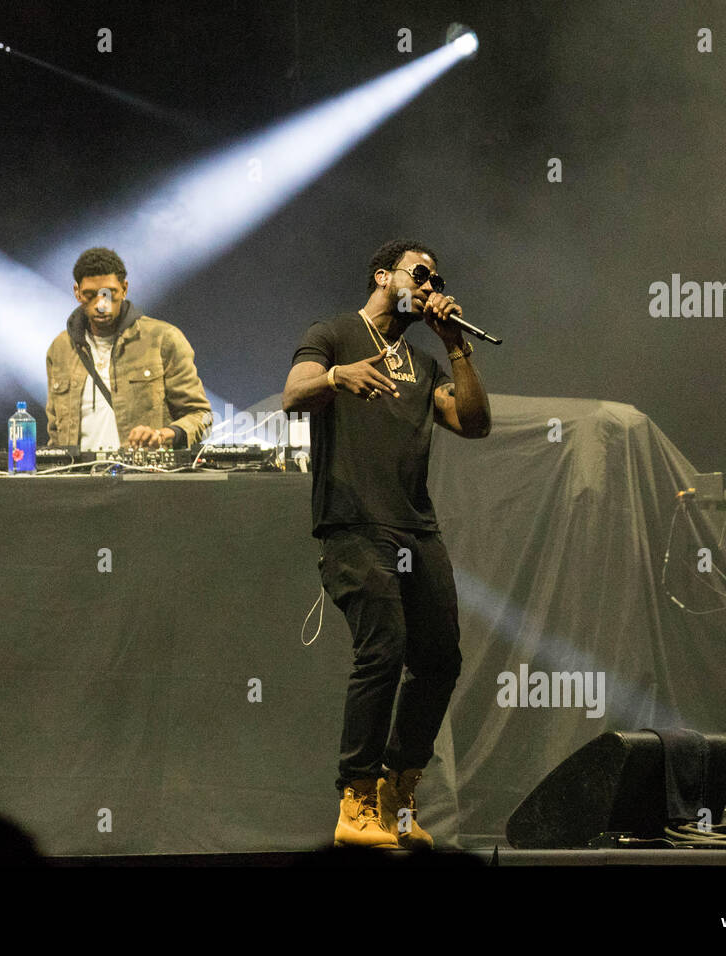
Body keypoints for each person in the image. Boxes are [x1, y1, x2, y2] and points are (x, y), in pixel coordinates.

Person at [281, 239, 491, 849]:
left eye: (436, 279)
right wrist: (336, 376)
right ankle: (356, 798)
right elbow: (295, 392)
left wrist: (456, 345)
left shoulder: (424, 363)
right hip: (352, 521)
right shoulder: (335, 333)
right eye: (418, 274)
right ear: (383, 275)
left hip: (414, 526)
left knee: (442, 658)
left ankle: (399, 787)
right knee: (385, 645)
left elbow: (475, 423)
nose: (428, 285)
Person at [45, 247, 212, 450]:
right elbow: (55, 433)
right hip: (78, 477)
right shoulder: (60, 349)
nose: (101, 304)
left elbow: (201, 417)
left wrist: (162, 435)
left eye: (109, 294)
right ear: (77, 292)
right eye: (90, 295)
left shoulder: (163, 339)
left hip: (146, 477)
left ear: (124, 289)